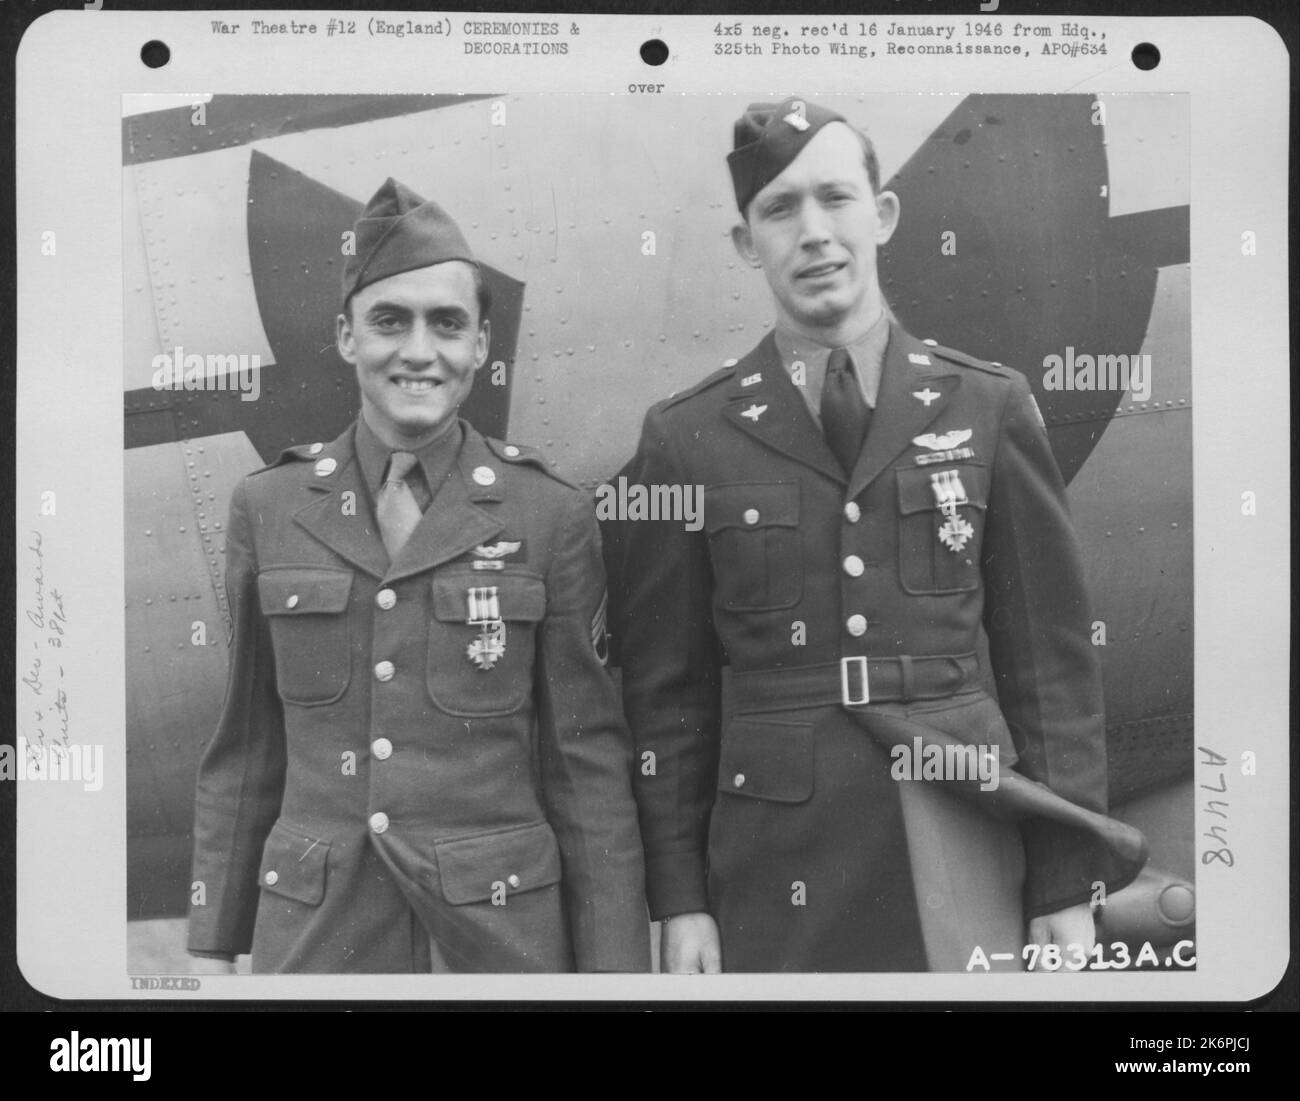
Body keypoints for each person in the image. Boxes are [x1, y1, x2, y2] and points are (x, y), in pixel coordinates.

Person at [612, 97, 1141, 972]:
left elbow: (1049, 664)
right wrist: (681, 898)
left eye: (835, 198)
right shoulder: (685, 437)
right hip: (780, 853)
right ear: (747, 244)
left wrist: (1062, 874)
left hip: (964, 827)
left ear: (884, 215)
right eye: (780, 209)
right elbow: (668, 695)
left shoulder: (988, 406)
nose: (813, 232)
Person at [187, 178, 649, 973]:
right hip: (319, 936)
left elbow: (586, 767)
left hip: (500, 937)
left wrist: (613, 975)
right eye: (388, 321)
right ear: (345, 336)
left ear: (478, 345)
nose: (418, 351)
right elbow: (247, 746)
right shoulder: (268, 506)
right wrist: (211, 943)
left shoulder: (548, 514)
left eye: (447, 323)